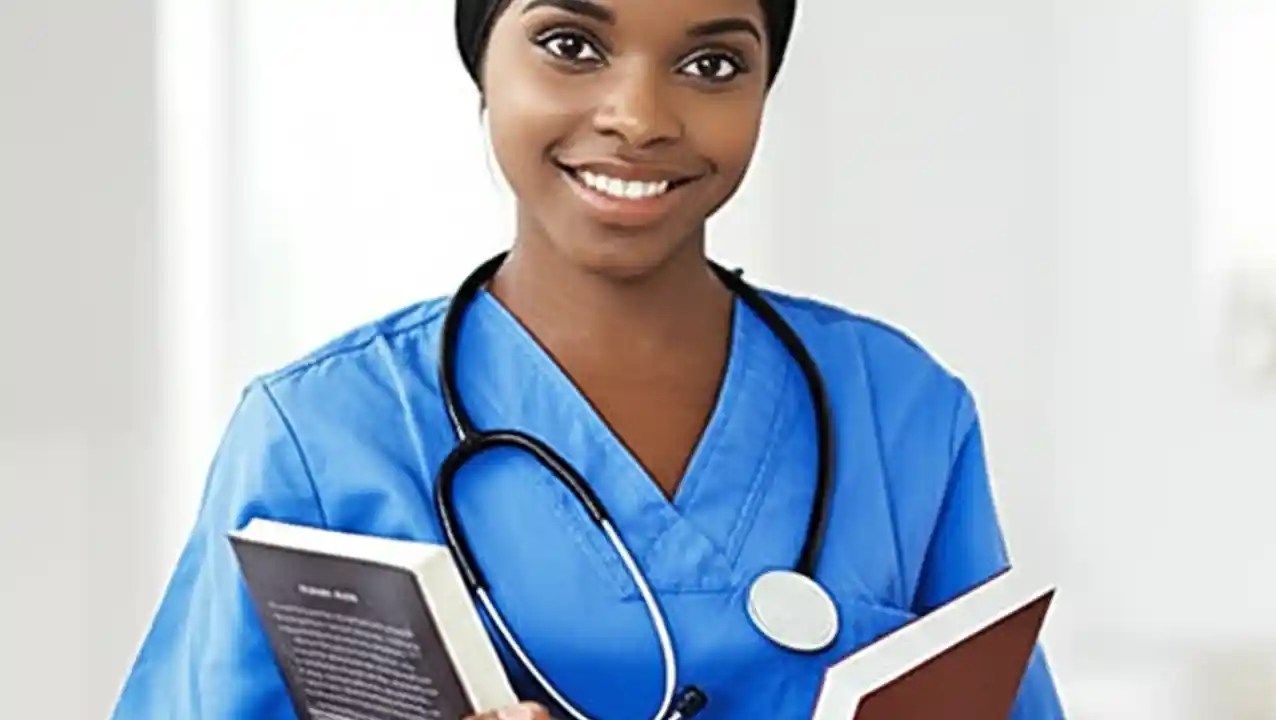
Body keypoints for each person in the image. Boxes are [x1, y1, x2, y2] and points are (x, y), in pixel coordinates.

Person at [112, 0, 1065, 718]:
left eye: (711, 61)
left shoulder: (899, 413)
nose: (640, 115)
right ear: (480, 56)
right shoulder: (324, 437)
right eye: (573, 45)